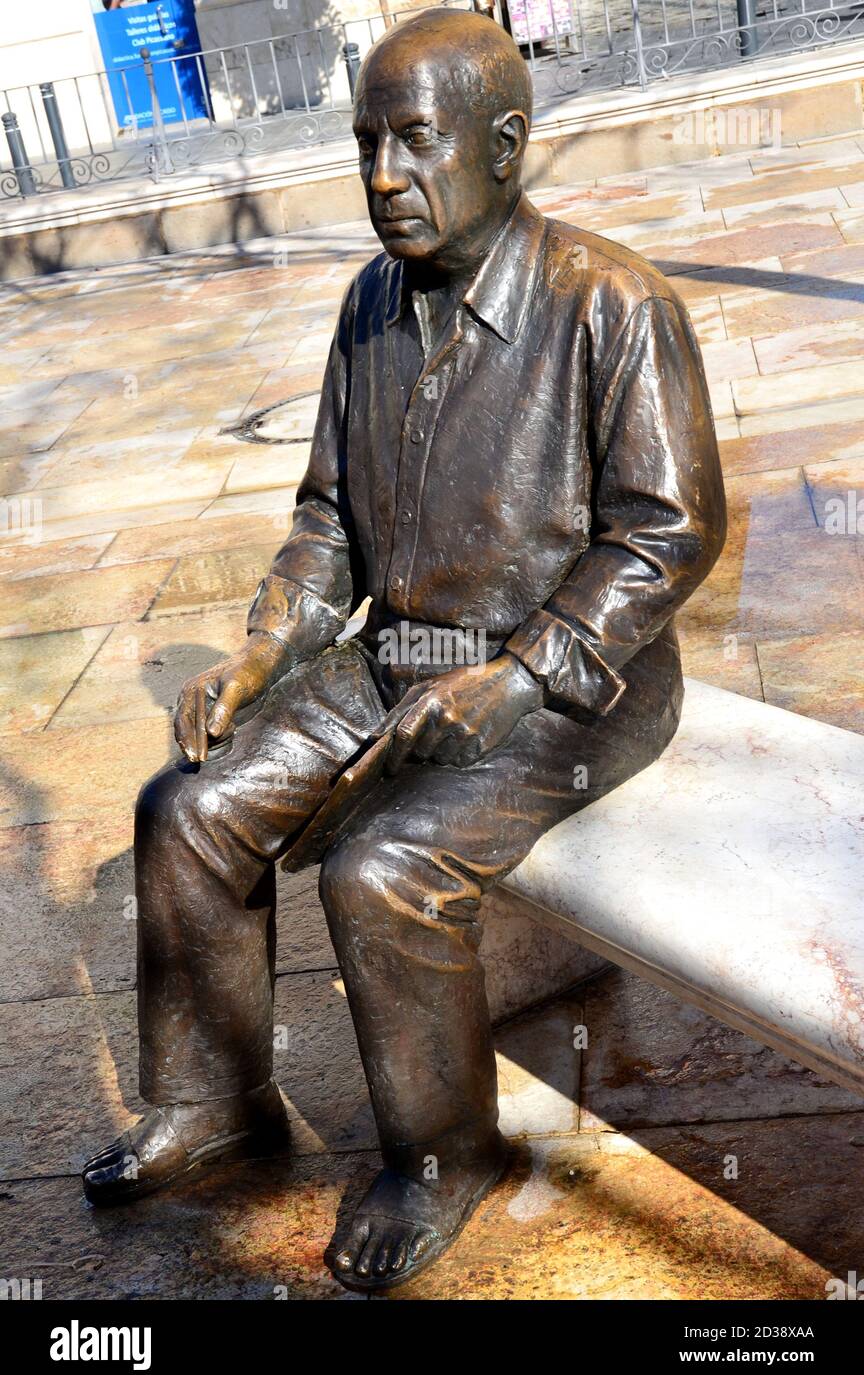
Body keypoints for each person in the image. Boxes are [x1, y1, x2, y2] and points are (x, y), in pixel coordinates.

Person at [83, 8, 726, 1292]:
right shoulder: (369, 305)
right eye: (367, 145)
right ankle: (214, 1101)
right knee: (188, 808)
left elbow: (668, 531)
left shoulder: (613, 305)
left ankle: (441, 1155)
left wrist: (525, 671)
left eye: (414, 142)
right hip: (399, 658)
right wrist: (264, 653)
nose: (384, 177)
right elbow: (326, 521)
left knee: (381, 868)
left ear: (504, 142)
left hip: (576, 690)